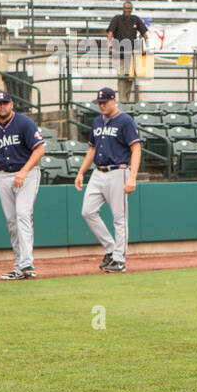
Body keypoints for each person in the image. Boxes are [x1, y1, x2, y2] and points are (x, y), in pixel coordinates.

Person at [0, 91, 46, 281]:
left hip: (27, 173)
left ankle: (27, 264)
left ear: (11, 104)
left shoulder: (24, 122)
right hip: (5, 175)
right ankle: (19, 266)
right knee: (12, 223)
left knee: (22, 214)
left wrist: (23, 171)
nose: (2, 106)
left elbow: (40, 150)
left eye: (5, 102)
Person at [75, 87, 141, 273]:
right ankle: (111, 248)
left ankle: (119, 259)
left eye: (105, 102)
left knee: (120, 219)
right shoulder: (97, 121)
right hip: (98, 172)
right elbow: (92, 150)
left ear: (114, 100)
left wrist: (132, 177)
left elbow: (136, 149)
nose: (102, 105)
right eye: (99, 103)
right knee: (87, 212)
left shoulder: (125, 121)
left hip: (118, 171)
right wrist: (81, 172)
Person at [106, 1, 148, 103]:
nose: (127, 10)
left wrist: (146, 47)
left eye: (129, 8)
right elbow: (110, 32)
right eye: (126, 8)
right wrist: (109, 45)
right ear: (123, 9)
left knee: (129, 79)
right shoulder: (117, 19)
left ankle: (127, 101)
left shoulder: (135, 19)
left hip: (131, 55)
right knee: (121, 78)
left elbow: (145, 33)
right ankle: (122, 101)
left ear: (132, 9)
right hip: (119, 54)